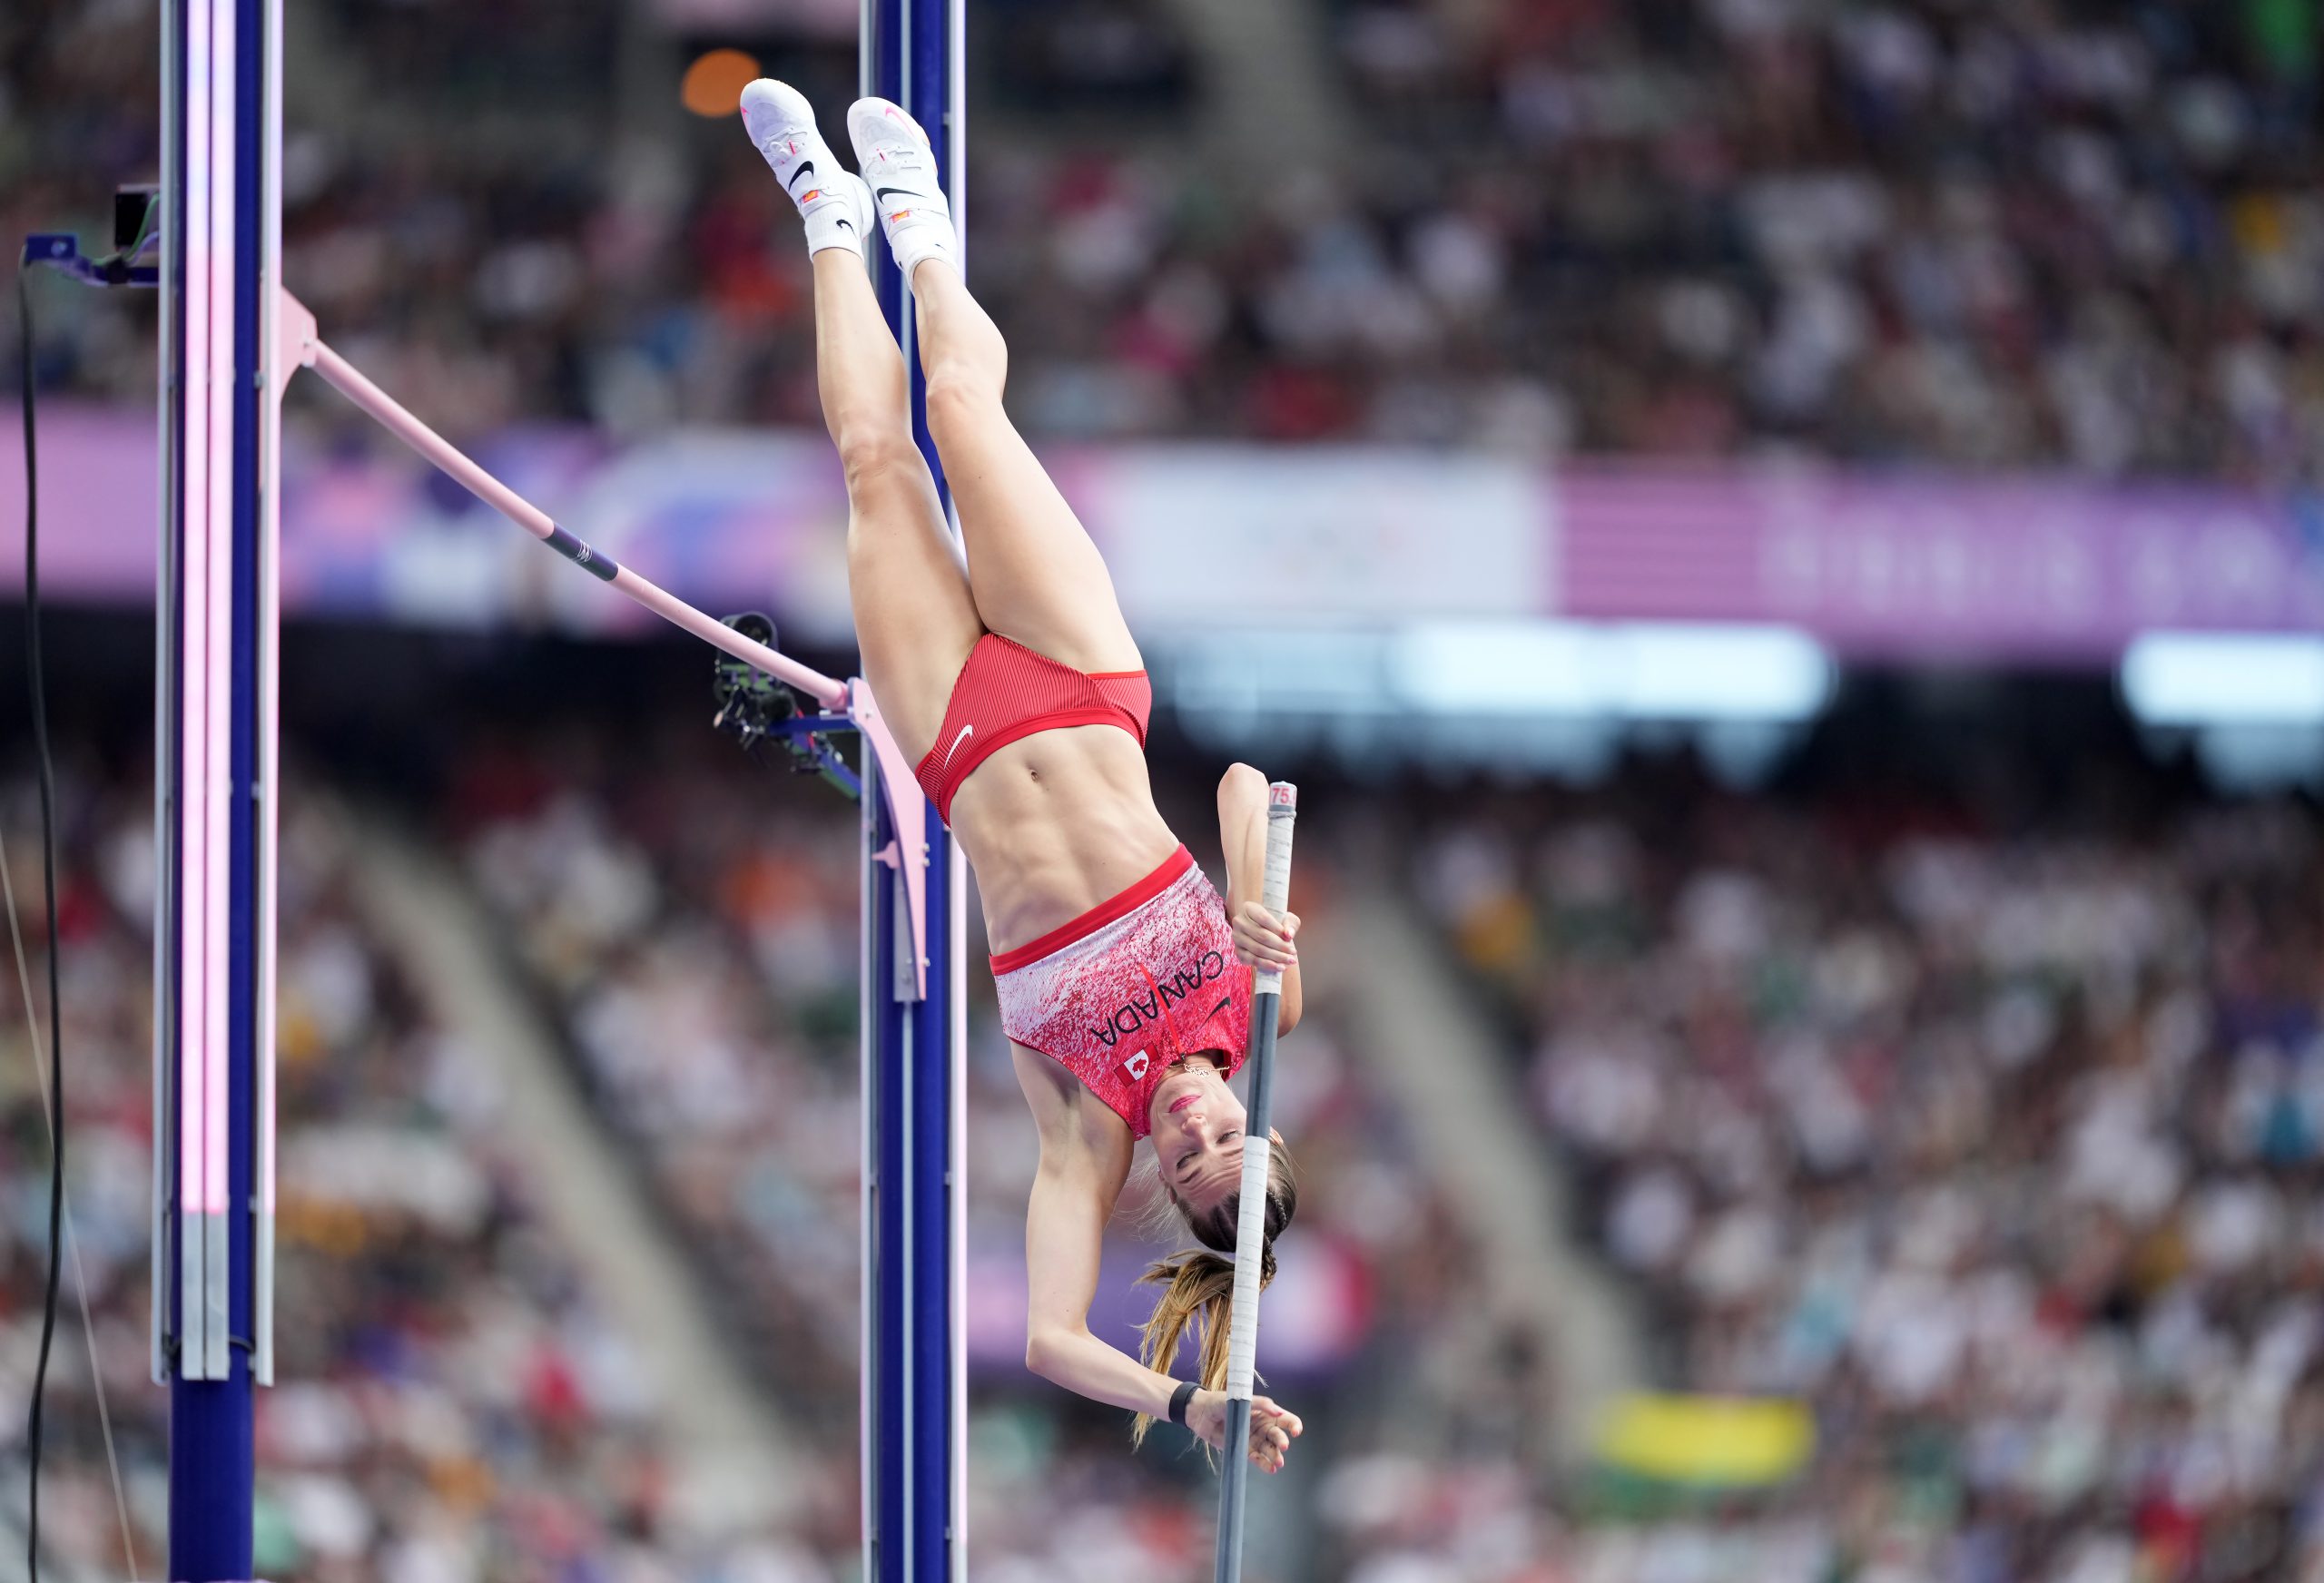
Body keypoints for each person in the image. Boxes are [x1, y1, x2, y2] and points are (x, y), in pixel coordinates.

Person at [739, 82, 1306, 1473]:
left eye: (1189, 1162)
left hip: (957, 739)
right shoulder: (1266, 996)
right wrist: (1246, 891)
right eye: (1228, 1131)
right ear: (1260, 1114)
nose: (1190, 1124)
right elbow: (1247, 782)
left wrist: (1189, 1404)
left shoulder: (1085, 1135)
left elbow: (1053, 1340)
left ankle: (824, 209)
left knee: (877, 465)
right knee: (956, 409)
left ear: (1163, 1181)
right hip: (1080, 679)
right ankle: (921, 225)